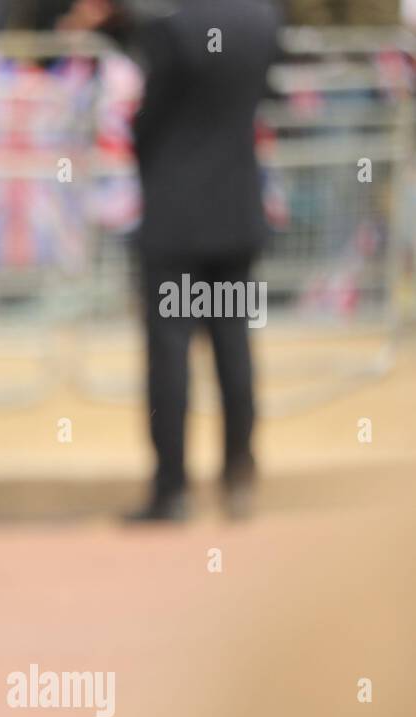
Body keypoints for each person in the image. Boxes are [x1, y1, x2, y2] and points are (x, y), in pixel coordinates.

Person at [120, 0, 281, 522]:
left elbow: (147, 122)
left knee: (170, 357)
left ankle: (173, 489)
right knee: (235, 348)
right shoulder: (262, 20)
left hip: (176, 220)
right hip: (235, 210)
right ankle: (238, 475)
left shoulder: (173, 28)